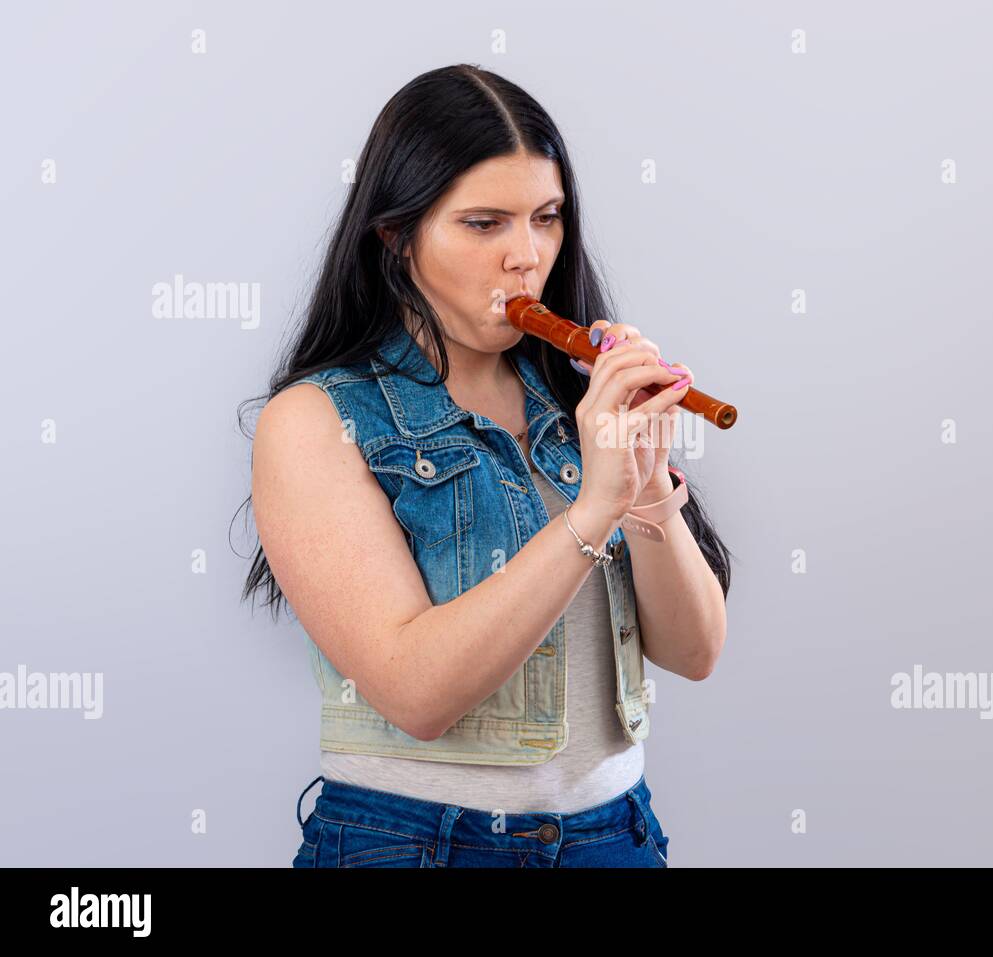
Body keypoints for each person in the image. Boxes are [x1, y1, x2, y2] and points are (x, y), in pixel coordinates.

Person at [237, 64, 732, 867]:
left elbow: (695, 651)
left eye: (546, 218)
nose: (526, 257)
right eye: (483, 224)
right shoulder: (316, 422)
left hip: (617, 836)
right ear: (395, 233)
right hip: (418, 844)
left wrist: (644, 486)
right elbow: (415, 691)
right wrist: (590, 511)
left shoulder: (577, 405)